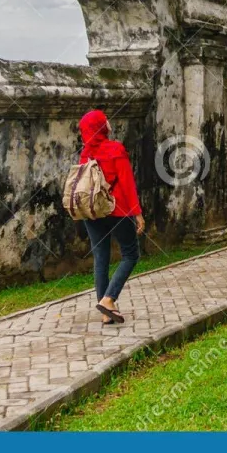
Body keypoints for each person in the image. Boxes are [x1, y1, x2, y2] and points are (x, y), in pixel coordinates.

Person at [77, 109, 144, 325]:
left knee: (101, 257)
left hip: (93, 211)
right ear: (101, 127)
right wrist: (138, 213)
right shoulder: (116, 149)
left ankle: (106, 312)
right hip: (118, 210)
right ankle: (108, 299)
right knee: (131, 255)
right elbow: (127, 183)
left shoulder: (85, 154)